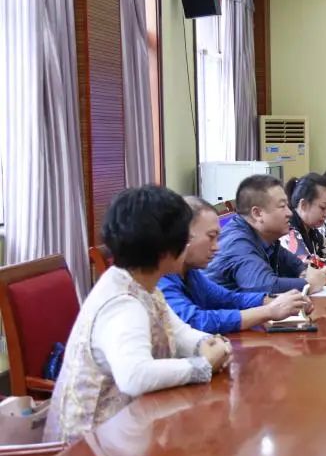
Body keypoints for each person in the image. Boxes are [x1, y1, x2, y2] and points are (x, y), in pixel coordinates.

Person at [44, 186, 231, 442]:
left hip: (130, 429)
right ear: (164, 248)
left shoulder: (143, 285)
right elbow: (134, 376)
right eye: (183, 240)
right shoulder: (122, 304)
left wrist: (207, 344)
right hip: (92, 448)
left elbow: (178, 331)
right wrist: (203, 365)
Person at [159, 197, 309, 333]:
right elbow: (193, 321)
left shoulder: (191, 273)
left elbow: (229, 299)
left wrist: (277, 300)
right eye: (211, 237)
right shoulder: (160, 275)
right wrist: (268, 311)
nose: (216, 247)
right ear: (183, 235)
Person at [206, 174, 326, 294]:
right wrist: (308, 284)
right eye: (282, 206)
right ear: (258, 213)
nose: (289, 213)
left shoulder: (267, 238)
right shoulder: (238, 242)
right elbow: (264, 286)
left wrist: (306, 274)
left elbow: (298, 267)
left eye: (287, 205)